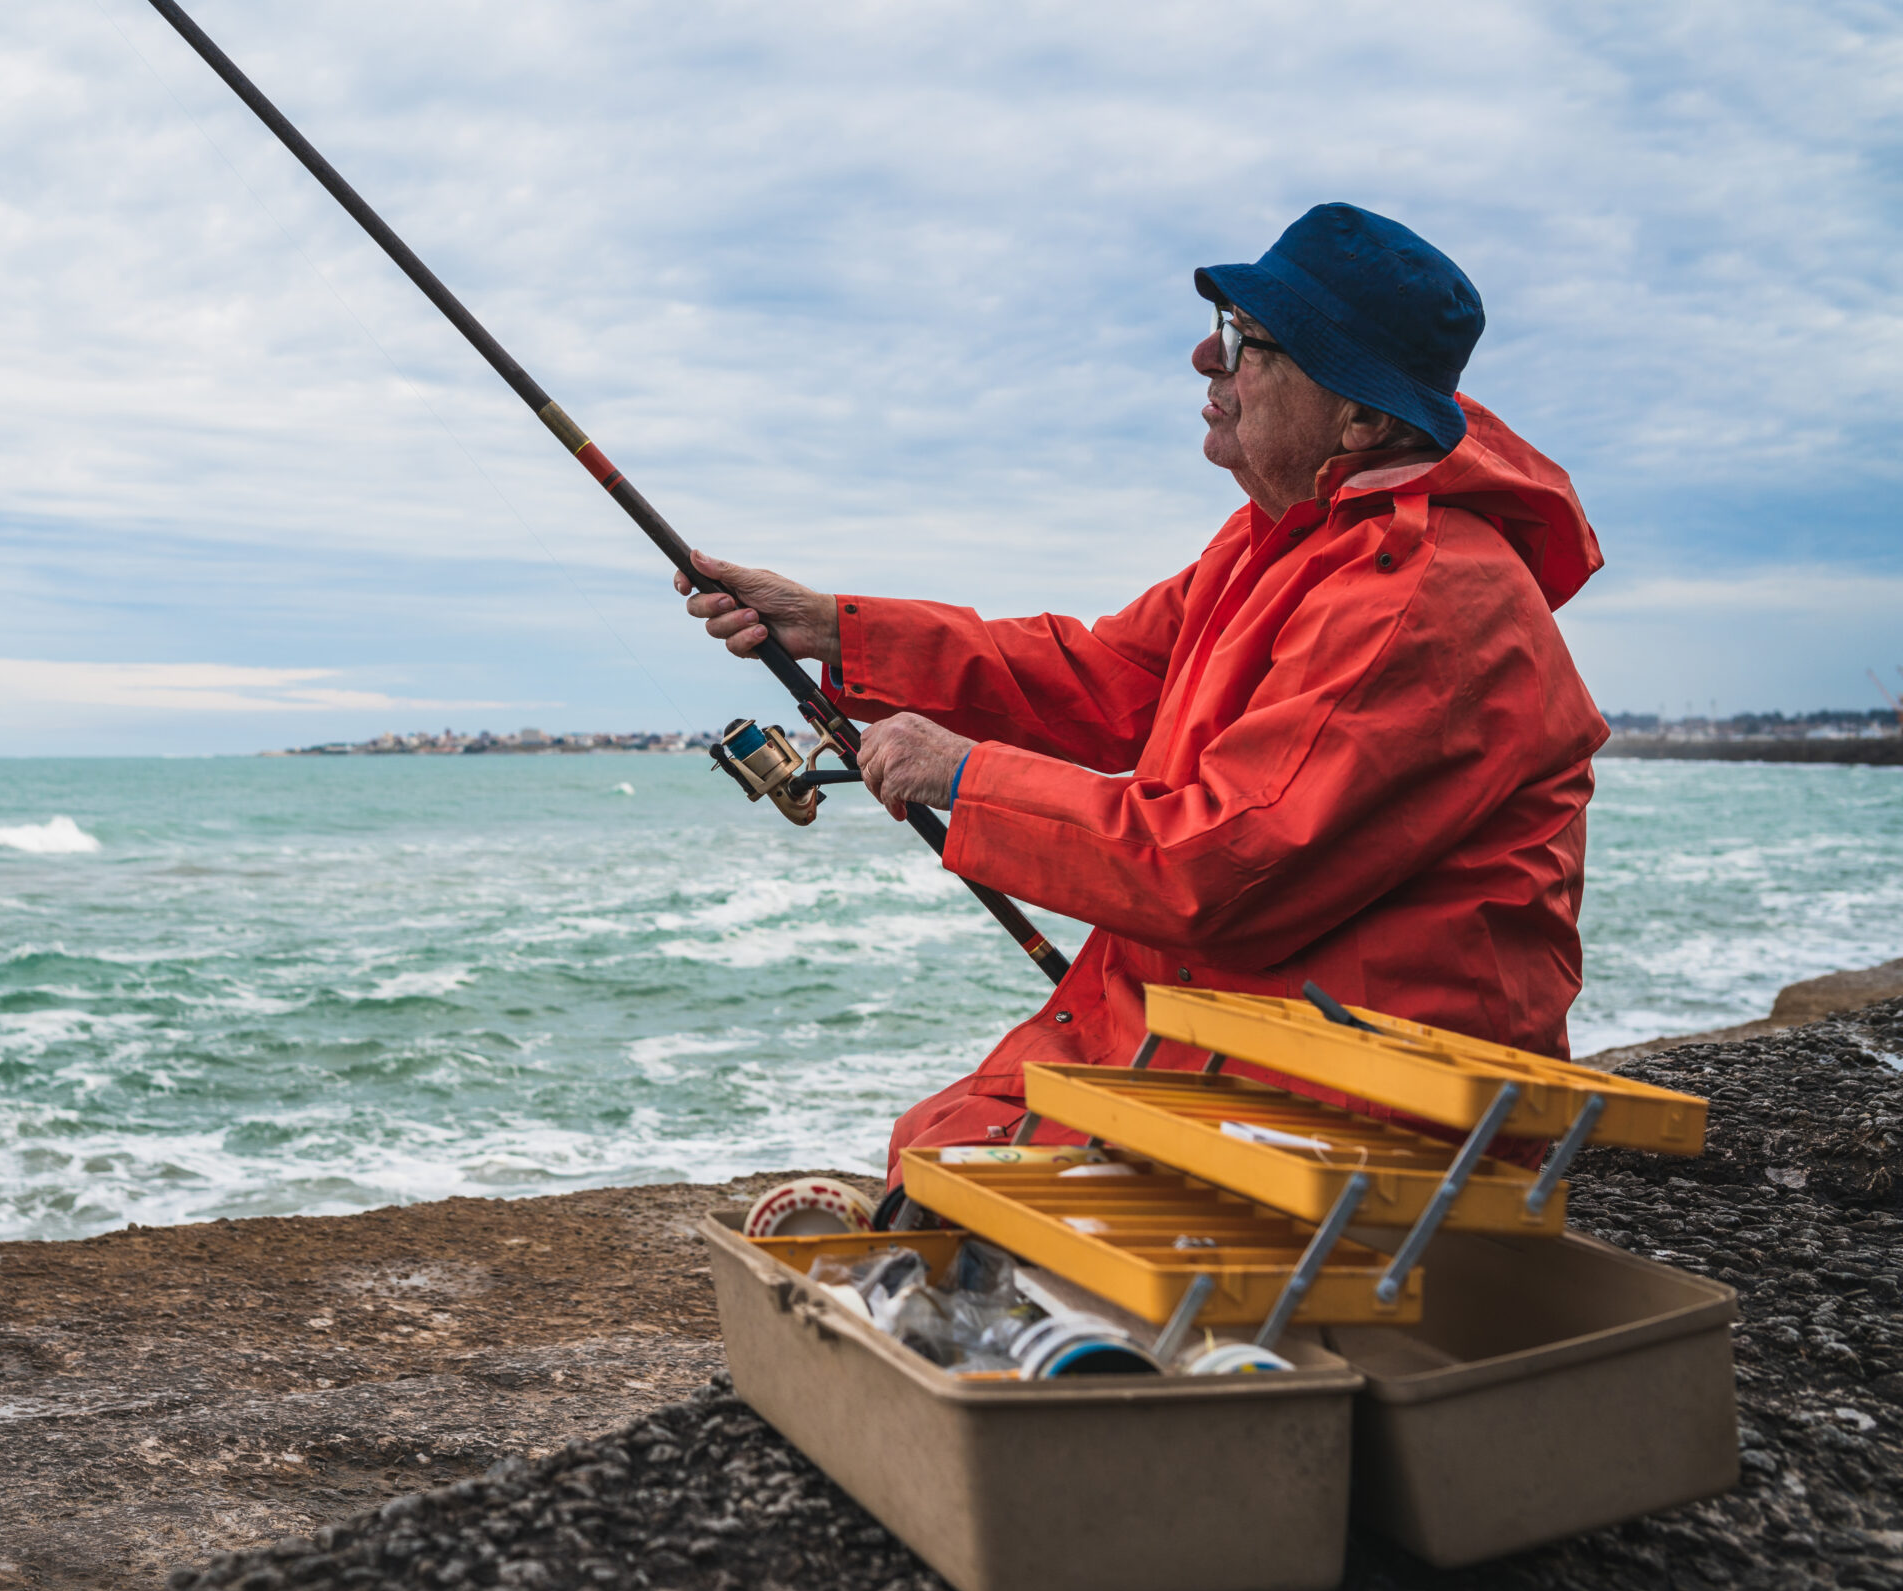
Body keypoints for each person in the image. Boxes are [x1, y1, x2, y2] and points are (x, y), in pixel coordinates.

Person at [677, 204, 1605, 1181]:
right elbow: (1100, 681)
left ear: (1361, 413)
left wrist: (961, 773)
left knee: (951, 1178)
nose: (1204, 361)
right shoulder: (1285, 539)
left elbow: (1214, 864)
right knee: (938, 1146)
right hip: (1264, 1043)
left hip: (1365, 1098)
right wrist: (835, 627)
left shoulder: (1419, 593)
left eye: (1244, 342)